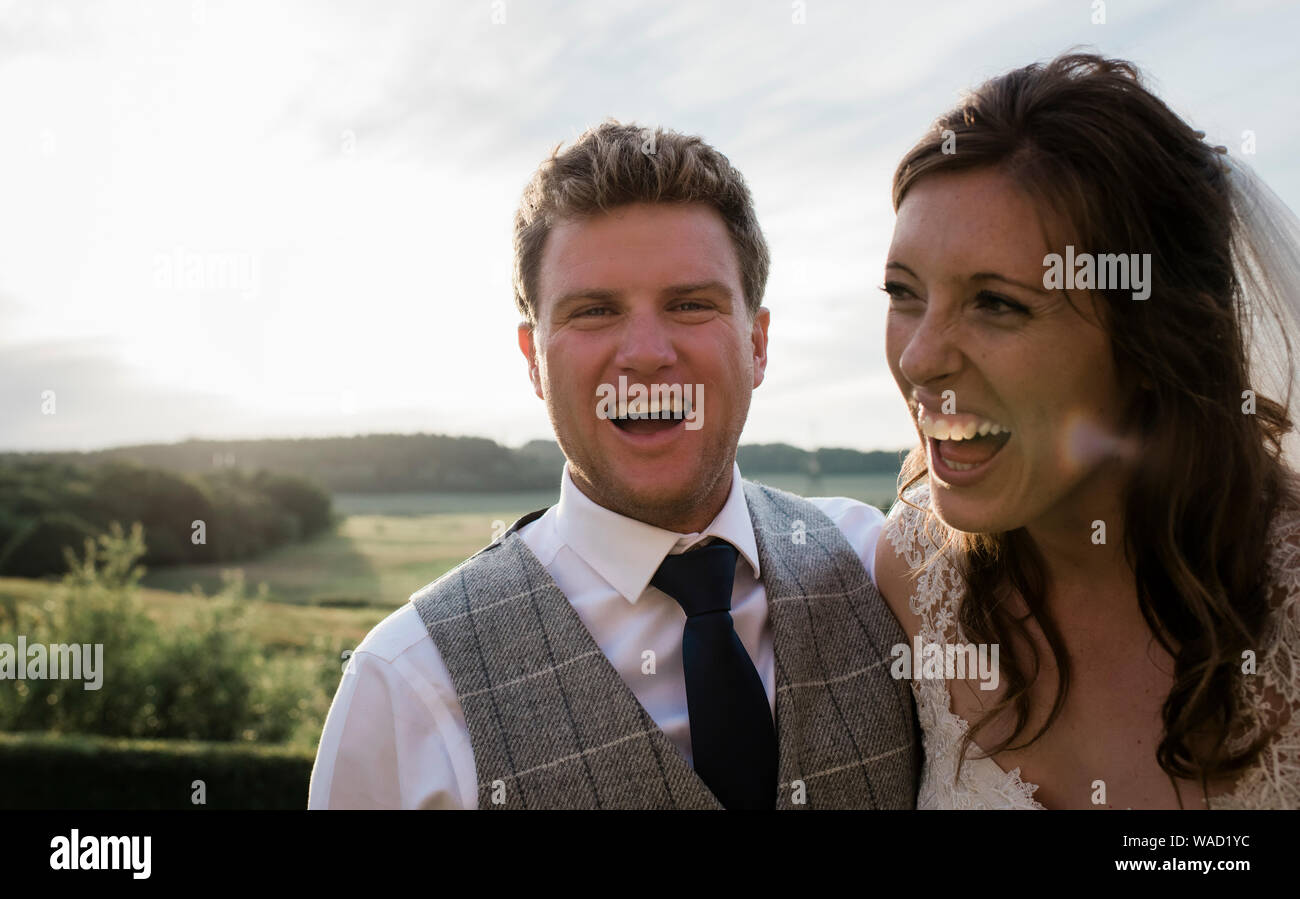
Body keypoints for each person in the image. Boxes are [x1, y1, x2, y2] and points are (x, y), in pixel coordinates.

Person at [309, 121, 919, 809]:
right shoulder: (406, 686)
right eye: (594, 311)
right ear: (532, 360)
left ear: (757, 342)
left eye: (691, 304)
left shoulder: (880, 566)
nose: (647, 352)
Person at [874, 52, 1300, 809]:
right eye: (904, 293)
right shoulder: (911, 579)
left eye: (997, 303)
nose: (918, 358)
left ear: (1154, 339)